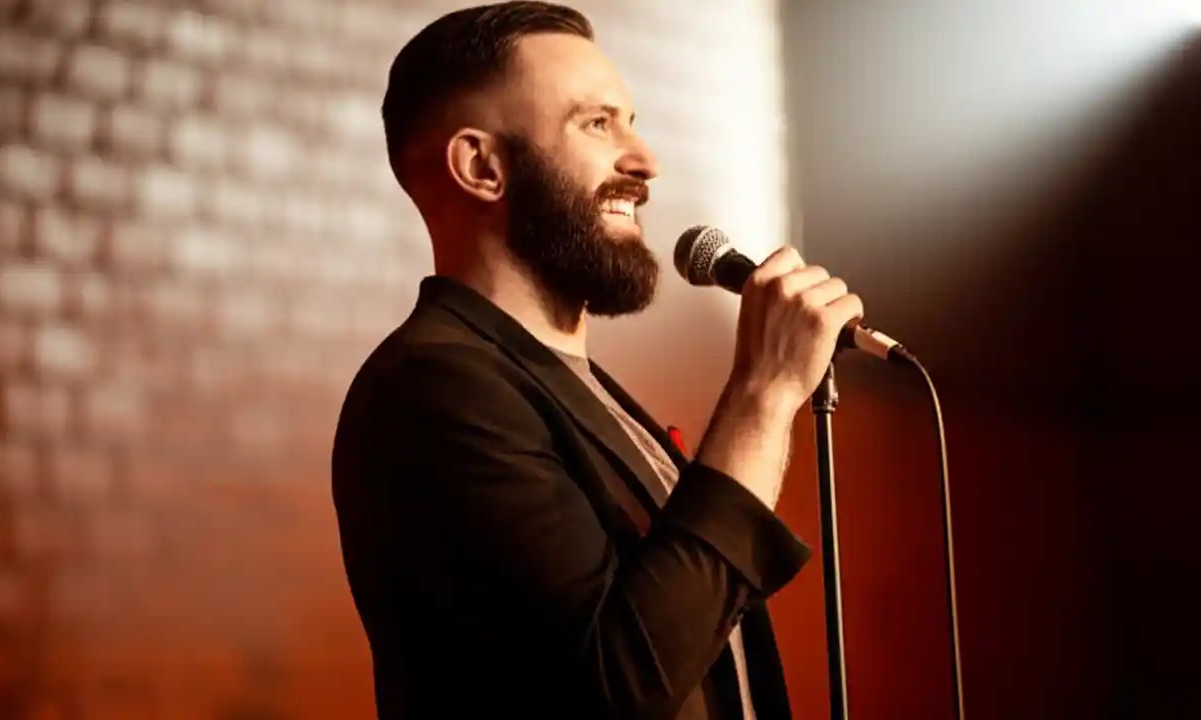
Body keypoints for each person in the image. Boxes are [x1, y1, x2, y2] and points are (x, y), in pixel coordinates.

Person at [331, 2, 864, 718]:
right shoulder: (433, 389)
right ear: (482, 165)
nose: (644, 162)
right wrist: (763, 396)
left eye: (632, 123)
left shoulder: (564, 387)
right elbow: (613, 689)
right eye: (596, 123)